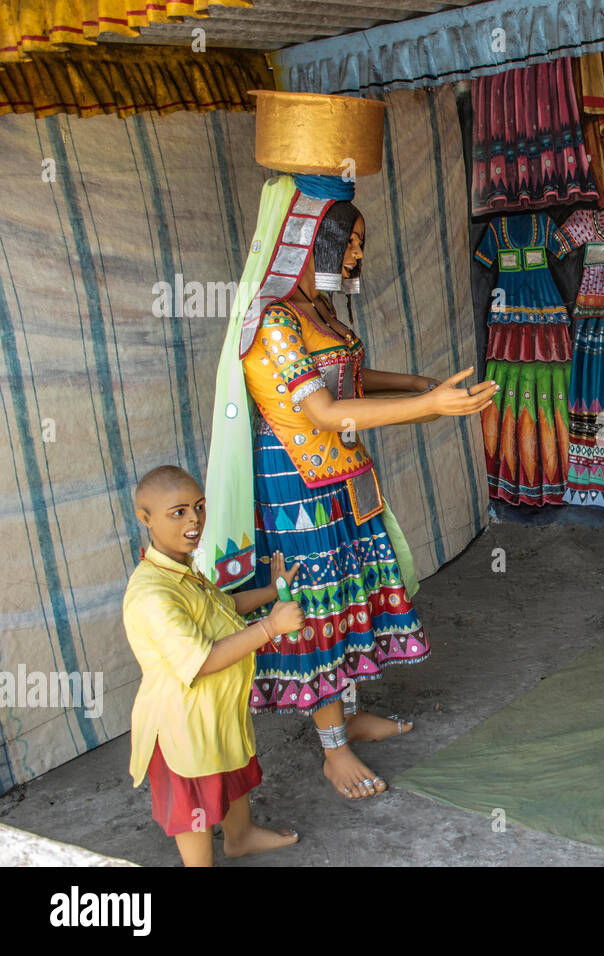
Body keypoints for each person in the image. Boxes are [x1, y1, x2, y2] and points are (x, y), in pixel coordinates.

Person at [238, 190, 497, 800]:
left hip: (343, 472)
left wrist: (416, 382)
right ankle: (332, 750)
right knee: (316, 605)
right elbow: (323, 411)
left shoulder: (317, 308)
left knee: (350, 593)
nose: (356, 253)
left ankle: (348, 715)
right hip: (297, 482)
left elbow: (347, 374)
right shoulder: (273, 320)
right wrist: (425, 406)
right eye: (348, 241)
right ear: (308, 240)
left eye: (358, 242)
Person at [124, 465, 304, 867]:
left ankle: (239, 837)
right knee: (193, 805)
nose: (194, 521)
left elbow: (222, 609)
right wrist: (271, 626)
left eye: (199, 507)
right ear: (145, 517)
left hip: (213, 710)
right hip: (179, 724)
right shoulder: (152, 593)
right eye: (179, 512)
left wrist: (270, 592)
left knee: (231, 771)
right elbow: (201, 661)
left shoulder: (183, 570)